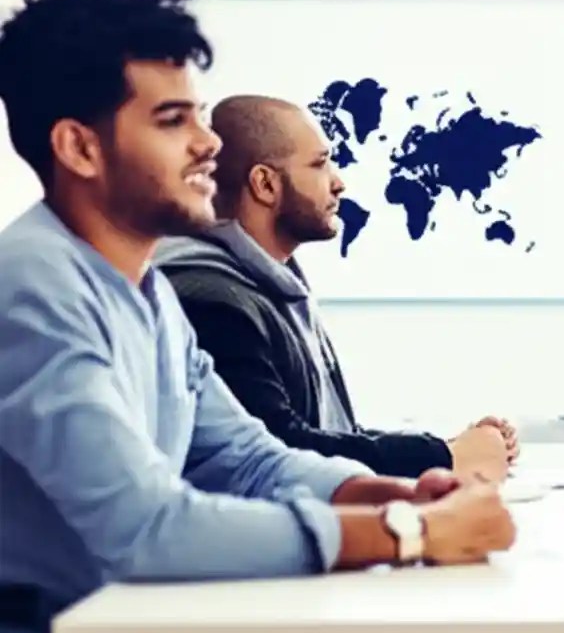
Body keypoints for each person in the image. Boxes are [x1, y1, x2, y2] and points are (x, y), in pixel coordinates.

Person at [0, 0, 515, 633]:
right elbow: (146, 529)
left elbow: (247, 459)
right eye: (172, 120)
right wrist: (407, 532)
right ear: (79, 148)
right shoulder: (35, 287)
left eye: (198, 114)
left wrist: (393, 493)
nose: (208, 143)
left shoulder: (146, 289)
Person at [154, 95, 517, 481]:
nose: (339, 182)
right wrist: (442, 456)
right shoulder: (210, 298)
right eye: (320, 163)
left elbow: (328, 437)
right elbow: (279, 452)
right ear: (265, 184)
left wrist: (453, 448)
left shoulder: (274, 288)